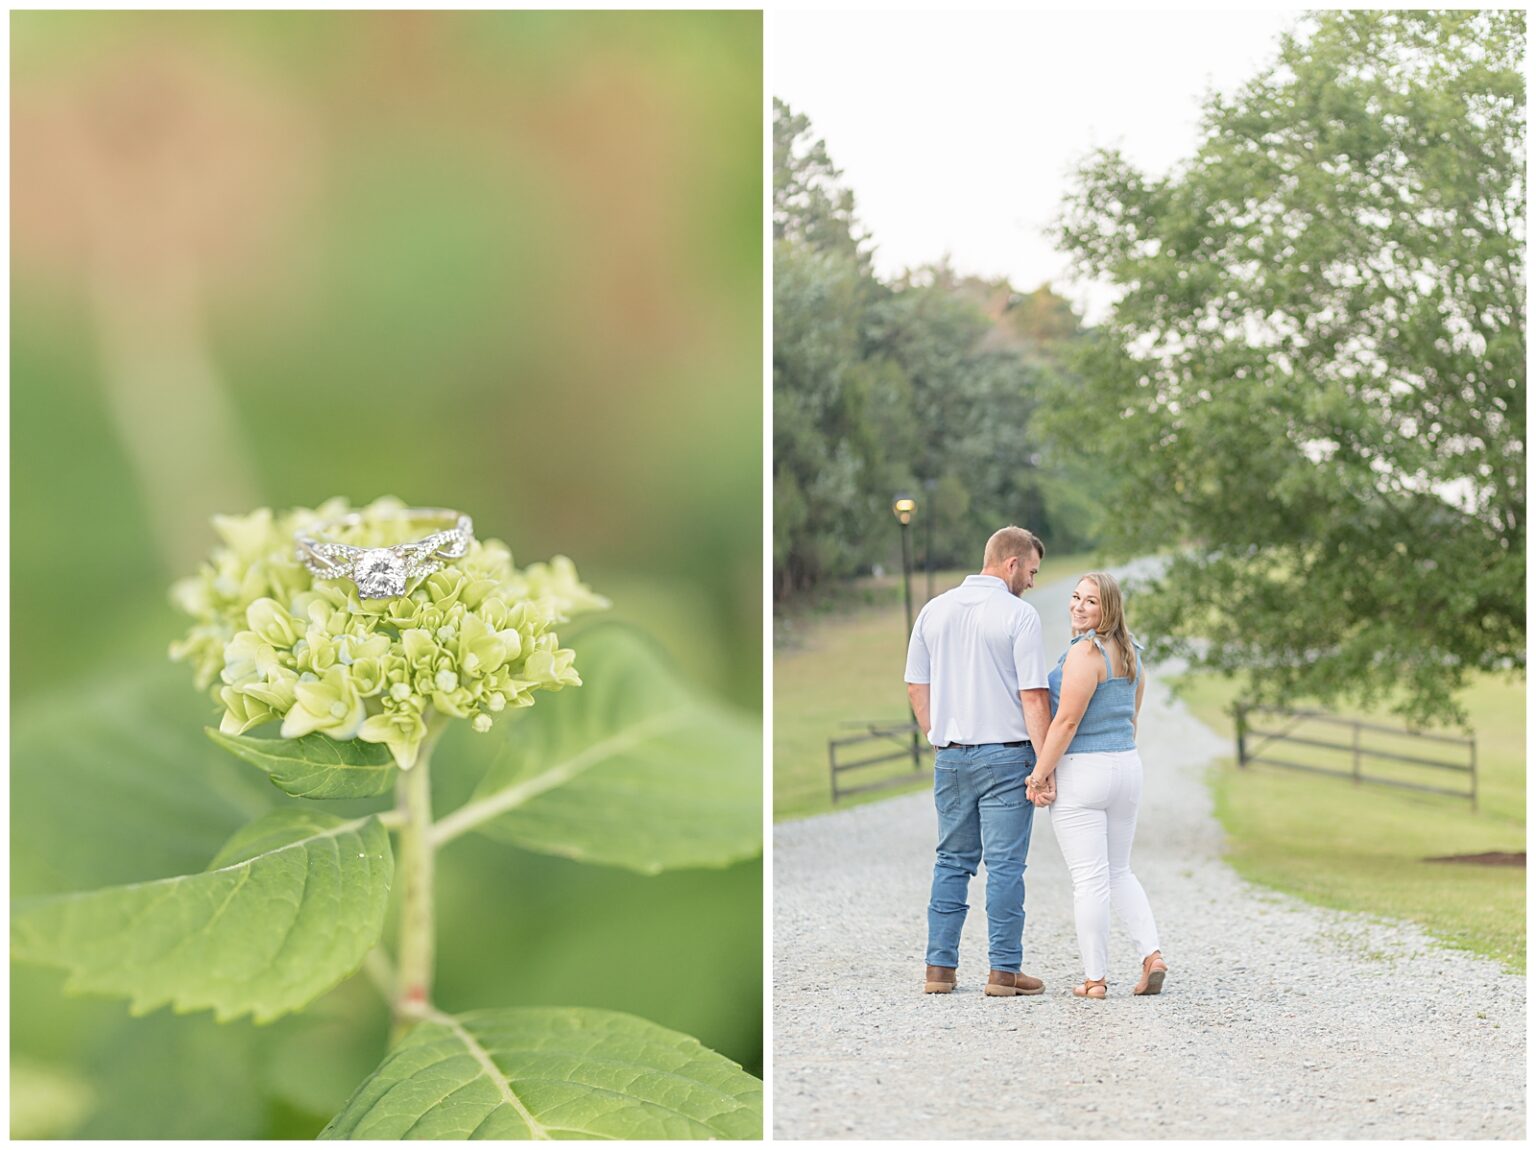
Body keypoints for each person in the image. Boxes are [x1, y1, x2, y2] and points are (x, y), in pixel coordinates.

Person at [904, 526, 1053, 997]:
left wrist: (935, 735)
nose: (1031, 581)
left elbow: (915, 685)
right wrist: (1045, 766)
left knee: (951, 861)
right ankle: (1004, 971)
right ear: (1010, 564)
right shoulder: (1019, 616)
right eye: (1030, 571)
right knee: (1005, 867)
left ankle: (939, 971)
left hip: (950, 757)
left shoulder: (934, 610)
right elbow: (1033, 697)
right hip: (1007, 757)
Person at [1026, 571, 1167, 998]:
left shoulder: (1086, 655)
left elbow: (1066, 722)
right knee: (1119, 870)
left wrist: (1038, 774)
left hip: (1083, 771)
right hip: (1126, 765)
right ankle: (1152, 955)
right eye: (1075, 597)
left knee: (1089, 879)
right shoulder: (1132, 654)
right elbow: (1133, 717)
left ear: (1108, 609)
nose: (1078, 606)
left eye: (1090, 601)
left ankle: (1095, 980)